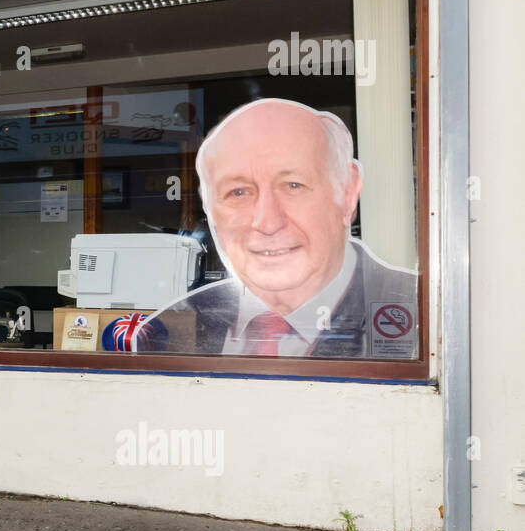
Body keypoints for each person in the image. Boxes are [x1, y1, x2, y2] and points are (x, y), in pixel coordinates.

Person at [135, 98, 417, 358]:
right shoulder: (167, 331)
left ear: (348, 192)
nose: (268, 222)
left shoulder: (426, 318)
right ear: (209, 207)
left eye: (293, 185)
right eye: (239, 192)